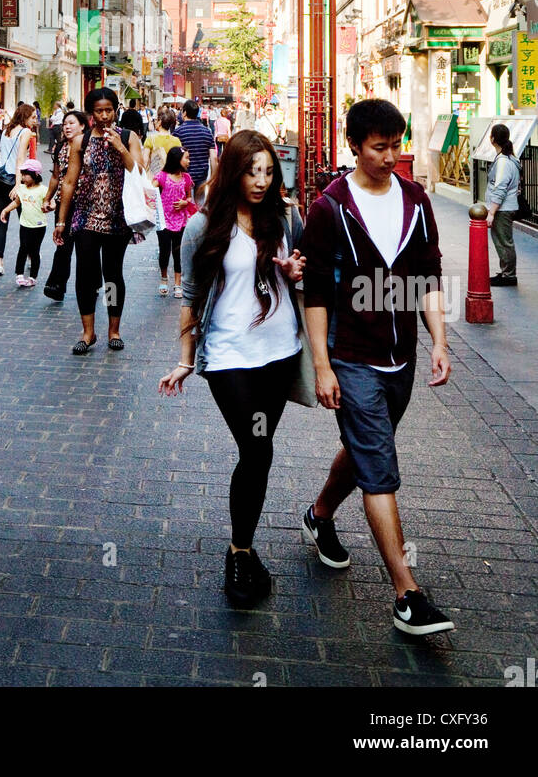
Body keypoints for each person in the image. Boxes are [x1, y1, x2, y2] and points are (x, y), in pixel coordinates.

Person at [301, 98, 454, 636]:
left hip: (401, 356)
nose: (391, 157)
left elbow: (428, 276)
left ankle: (319, 514)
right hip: (351, 355)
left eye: (396, 145)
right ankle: (406, 594)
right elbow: (315, 293)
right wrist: (322, 365)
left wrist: (439, 340)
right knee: (380, 464)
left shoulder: (415, 200)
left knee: (368, 447)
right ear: (355, 147)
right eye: (379, 147)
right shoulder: (329, 208)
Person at [159, 131, 306, 608]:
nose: (261, 181)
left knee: (259, 451)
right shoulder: (203, 227)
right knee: (257, 448)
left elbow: (312, 271)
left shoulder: (285, 218)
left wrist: (296, 272)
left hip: (280, 351)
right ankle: (240, 552)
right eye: (251, 171)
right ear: (233, 171)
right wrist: (185, 360)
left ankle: (242, 547)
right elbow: (191, 296)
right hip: (229, 357)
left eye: (268, 171)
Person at [55, 86, 144, 355]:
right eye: (99, 111)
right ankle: (88, 331)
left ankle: (113, 330)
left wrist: (120, 147)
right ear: (91, 114)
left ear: (116, 110)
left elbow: (139, 172)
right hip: (85, 215)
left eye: (109, 110)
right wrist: (61, 220)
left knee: (112, 275)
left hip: (118, 217)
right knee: (85, 273)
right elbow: (69, 181)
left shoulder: (129, 137)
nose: (104, 116)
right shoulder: (80, 141)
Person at [42, 109, 88, 301]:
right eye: (66, 123)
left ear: (83, 126)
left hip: (85, 203)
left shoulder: (89, 146)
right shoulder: (61, 147)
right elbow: (55, 176)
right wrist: (47, 198)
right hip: (63, 203)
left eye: (72, 123)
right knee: (63, 245)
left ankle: (90, 286)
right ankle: (56, 285)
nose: (67, 127)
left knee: (86, 249)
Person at [0, 103, 37, 276]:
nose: (35, 120)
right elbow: (20, 160)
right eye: (32, 117)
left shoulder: (6, 131)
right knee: (25, 221)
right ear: (25, 116)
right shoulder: (25, 132)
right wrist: (19, 185)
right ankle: (31, 257)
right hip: (14, 182)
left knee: (0, 221)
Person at [0, 158, 49, 287]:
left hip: (39, 225)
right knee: (23, 248)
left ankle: (33, 276)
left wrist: (48, 206)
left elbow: (51, 203)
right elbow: (17, 202)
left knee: (35, 251)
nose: (23, 177)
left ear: (35, 175)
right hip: (25, 225)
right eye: (22, 174)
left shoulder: (43, 190)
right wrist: (5, 210)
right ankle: (20, 274)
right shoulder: (21, 188)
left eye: (25, 174)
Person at [155, 146, 195, 297]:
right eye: (186, 158)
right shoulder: (162, 177)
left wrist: (186, 202)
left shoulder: (186, 179)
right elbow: (150, 190)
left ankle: (178, 284)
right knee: (164, 252)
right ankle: (164, 278)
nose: (189, 161)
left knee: (178, 253)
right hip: (164, 222)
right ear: (177, 159)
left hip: (181, 222)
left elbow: (190, 197)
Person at [485, 123, 520, 287]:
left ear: (492, 139)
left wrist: (491, 212)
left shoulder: (504, 162)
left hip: (503, 208)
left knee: (504, 242)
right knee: (504, 240)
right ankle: (506, 272)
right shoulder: (509, 158)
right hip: (506, 207)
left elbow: (500, 188)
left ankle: (509, 275)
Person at [173, 99, 217, 204]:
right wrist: (214, 178)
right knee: (199, 205)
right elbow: (213, 157)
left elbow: (175, 155)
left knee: (183, 204)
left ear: (184, 113)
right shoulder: (207, 132)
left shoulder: (178, 132)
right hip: (201, 174)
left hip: (183, 174)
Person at [143, 107, 181, 177]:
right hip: (170, 178)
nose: (155, 122)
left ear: (160, 122)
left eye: (156, 120)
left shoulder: (150, 139)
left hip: (155, 177)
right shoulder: (176, 140)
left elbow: (145, 161)